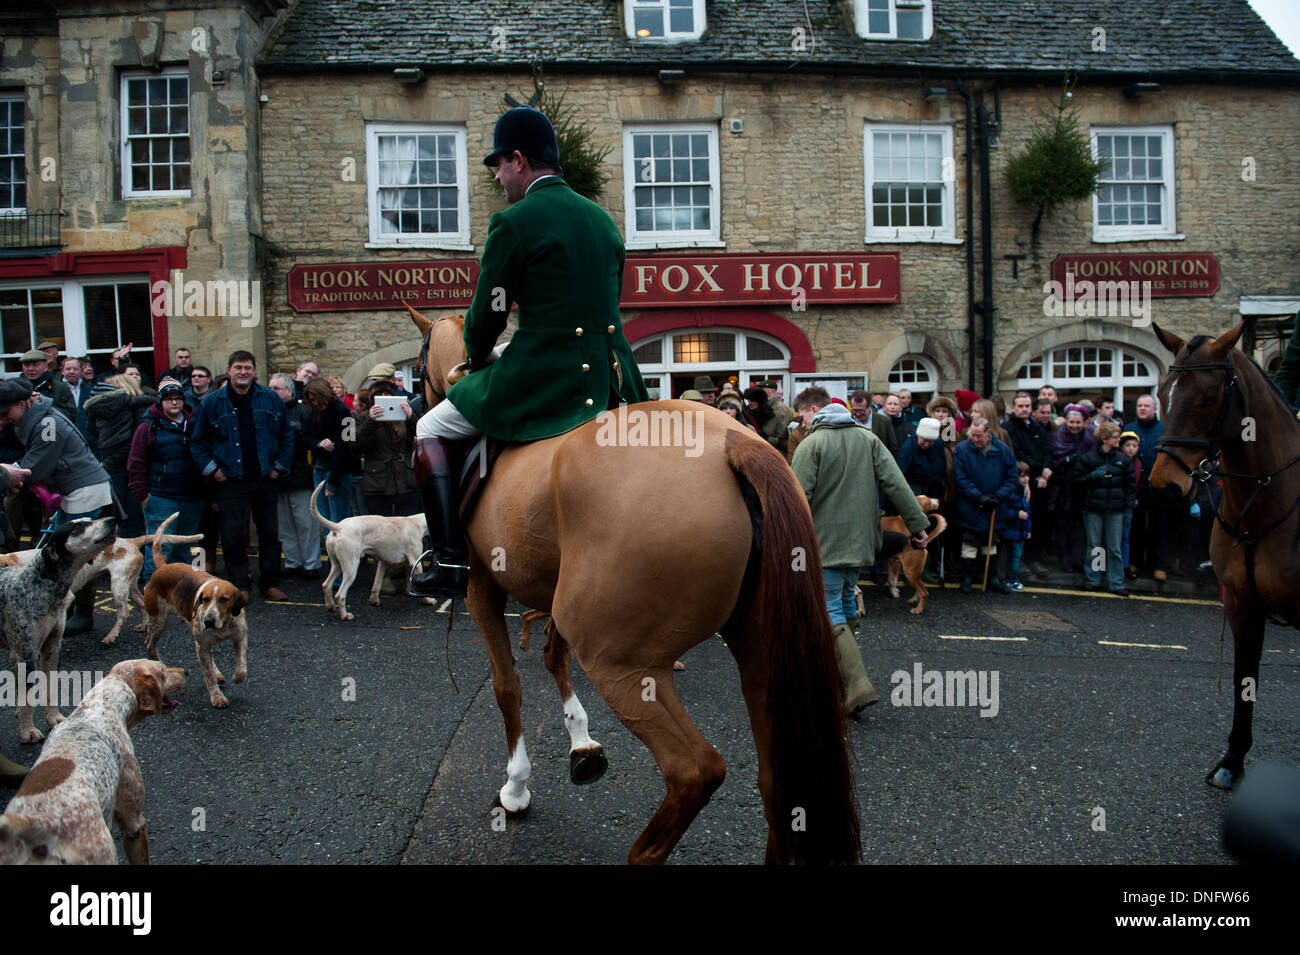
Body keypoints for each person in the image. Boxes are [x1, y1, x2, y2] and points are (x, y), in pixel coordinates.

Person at [409, 106, 649, 599]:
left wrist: (477, 358)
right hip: (613, 378)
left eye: (498, 165)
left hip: (544, 377)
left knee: (427, 426)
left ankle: (449, 560)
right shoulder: (604, 222)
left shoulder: (513, 223)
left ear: (519, 160)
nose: (498, 178)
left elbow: (486, 318)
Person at [790, 386, 929, 716]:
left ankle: (858, 683)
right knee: (848, 600)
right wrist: (918, 526)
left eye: (801, 416)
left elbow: (796, 500)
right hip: (864, 544)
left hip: (826, 544)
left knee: (828, 609)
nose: (800, 423)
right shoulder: (869, 440)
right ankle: (841, 678)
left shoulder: (812, 444)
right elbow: (897, 484)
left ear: (813, 410)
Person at [0, 376, 113, 633]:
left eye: (6, 412)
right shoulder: (40, 417)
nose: (5, 418)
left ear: (22, 403)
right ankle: (66, 610)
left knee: (78, 553)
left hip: (83, 490)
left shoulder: (48, 422)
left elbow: (37, 464)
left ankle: (81, 614)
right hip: (73, 489)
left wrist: (9, 474)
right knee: (63, 553)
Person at [190, 350, 293, 601]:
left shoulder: (270, 399)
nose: (243, 372)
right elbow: (198, 443)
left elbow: (286, 436)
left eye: (248, 367)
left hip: (264, 478)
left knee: (270, 534)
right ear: (229, 370)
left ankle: (270, 583)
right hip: (230, 482)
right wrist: (213, 471)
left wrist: (279, 467)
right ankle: (240, 586)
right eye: (238, 367)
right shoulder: (212, 402)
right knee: (233, 536)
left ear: (254, 371)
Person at [126, 378, 205, 581]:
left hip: (194, 496)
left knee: (192, 543)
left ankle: (195, 582)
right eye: (169, 399)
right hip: (162, 496)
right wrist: (143, 495)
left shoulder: (196, 422)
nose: (174, 403)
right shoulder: (148, 427)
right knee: (161, 545)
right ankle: (153, 586)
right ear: (160, 401)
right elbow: (135, 463)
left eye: (178, 398)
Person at [952, 417, 1019, 594]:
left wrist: (999, 496)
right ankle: (966, 578)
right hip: (971, 506)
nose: (975, 439)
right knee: (969, 543)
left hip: (995, 506)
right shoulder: (962, 450)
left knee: (991, 544)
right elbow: (961, 479)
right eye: (972, 435)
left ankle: (993, 579)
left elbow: (1012, 477)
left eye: (979, 436)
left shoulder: (1003, 450)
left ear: (988, 433)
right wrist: (978, 496)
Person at [84, 373, 156, 537]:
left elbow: (136, 443)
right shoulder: (115, 414)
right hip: (122, 470)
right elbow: (93, 432)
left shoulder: (136, 408)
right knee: (124, 520)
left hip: (131, 471)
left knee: (132, 521)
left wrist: (108, 462)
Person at [1072, 422, 1135, 595]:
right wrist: (1093, 476)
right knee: (1095, 546)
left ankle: (1116, 582)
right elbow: (1076, 482)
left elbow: (1130, 487)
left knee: (1114, 547)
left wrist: (1128, 508)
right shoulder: (1089, 459)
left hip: (1115, 509)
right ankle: (1094, 579)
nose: (1118, 440)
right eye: (1115, 437)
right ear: (1105, 439)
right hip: (1093, 508)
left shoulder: (1122, 460)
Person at [269, 373, 322, 581]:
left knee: (305, 524)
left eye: (277, 388)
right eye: (270, 387)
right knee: (285, 526)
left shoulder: (304, 412)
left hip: (301, 475)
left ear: (289, 391)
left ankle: (311, 564)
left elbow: (309, 442)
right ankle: (293, 562)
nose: (272, 391)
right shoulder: (269, 412)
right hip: (277, 478)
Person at [1003, 391, 1052, 578]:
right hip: (1022, 482)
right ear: (1013, 408)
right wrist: (1040, 470)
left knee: (1037, 523)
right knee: (1019, 524)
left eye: (1027, 406)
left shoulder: (1037, 428)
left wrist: (1047, 469)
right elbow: (1019, 455)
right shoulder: (1009, 428)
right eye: (1020, 406)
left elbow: (1047, 450)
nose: (1024, 409)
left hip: (1042, 483)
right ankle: (1019, 562)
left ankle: (1034, 559)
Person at [357, 380, 419, 518]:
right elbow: (355, 446)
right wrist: (371, 422)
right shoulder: (362, 418)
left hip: (406, 482)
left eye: (388, 394)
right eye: (379, 394)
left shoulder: (405, 415)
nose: (384, 397)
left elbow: (422, 435)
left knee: (407, 528)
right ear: (372, 399)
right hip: (377, 484)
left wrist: (411, 418)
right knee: (379, 530)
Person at [1048, 405, 1096, 574]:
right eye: (1071, 422)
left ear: (1085, 422)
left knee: (1082, 528)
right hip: (1063, 490)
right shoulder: (1056, 437)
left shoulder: (1091, 437)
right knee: (1063, 527)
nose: (1074, 425)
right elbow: (1053, 460)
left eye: (1078, 422)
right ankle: (1064, 559)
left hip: (1084, 489)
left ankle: (1083, 562)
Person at [302, 377, 354, 528]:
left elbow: (347, 446)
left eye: (317, 399)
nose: (316, 403)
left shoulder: (343, 411)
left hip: (338, 472)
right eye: (312, 400)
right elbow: (304, 437)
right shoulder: (313, 412)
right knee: (324, 521)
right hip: (319, 469)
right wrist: (318, 443)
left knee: (338, 523)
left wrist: (333, 482)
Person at [1128, 394, 1168, 582]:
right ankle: (1135, 562)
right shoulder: (1128, 429)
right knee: (1135, 527)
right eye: (1139, 405)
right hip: (1135, 488)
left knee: (1159, 527)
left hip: (1158, 487)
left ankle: (1158, 565)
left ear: (1154, 409)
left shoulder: (1164, 430)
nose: (1142, 408)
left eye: (1146, 406)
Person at [19, 348, 76, 421]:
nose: (30, 368)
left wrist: (44, 404)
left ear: (45, 367)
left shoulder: (60, 388)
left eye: (35, 365)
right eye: (26, 365)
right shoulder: (15, 388)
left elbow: (71, 415)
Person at [1001, 461, 1033, 591]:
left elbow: (1027, 513)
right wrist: (1016, 514)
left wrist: (1028, 529)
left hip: (1020, 530)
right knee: (1015, 556)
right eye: (1022, 476)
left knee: (1016, 555)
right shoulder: (1011, 492)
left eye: (1027, 475)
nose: (1026, 479)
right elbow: (1003, 512)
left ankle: (1010, 578)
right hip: (1011, 530)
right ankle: (1011, 579)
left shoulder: (1023, 492)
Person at [1119, 431, 1141, 579]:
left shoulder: (1138, 464)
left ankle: (1124, 566)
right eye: (1128, 445)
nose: (1131, 449)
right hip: (1110, 504)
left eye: (1134, 445)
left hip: (1127, 504)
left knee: (1125, 537)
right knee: (1101, 539)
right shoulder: (1116, 460)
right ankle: (1099, 567)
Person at [849, 389, 897, 456]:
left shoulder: (884, 421)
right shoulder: (847, 421)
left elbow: (893, 449)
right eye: (855, 410)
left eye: (861, 411)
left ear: (869, 407)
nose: (858, 414)